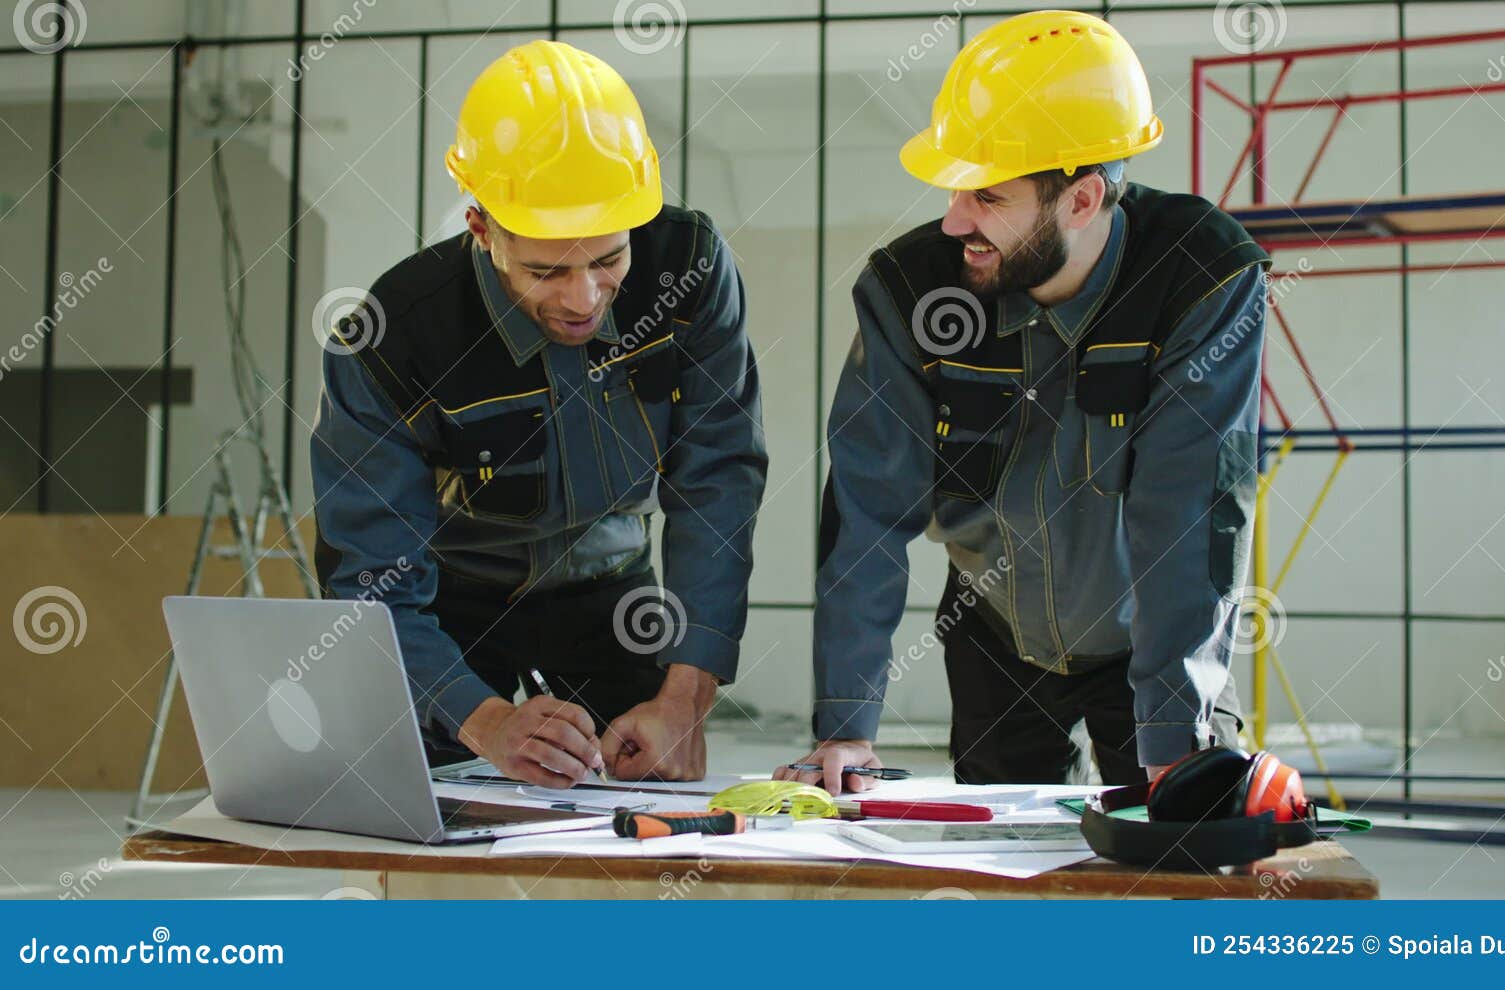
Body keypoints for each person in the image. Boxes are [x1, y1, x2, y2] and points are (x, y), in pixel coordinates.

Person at [779, 10, 1264, 796]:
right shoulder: (910, 293)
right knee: (1005, 882)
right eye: (955, 187)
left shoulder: (1197, 279)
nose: (953, 219)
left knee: (1190, 863)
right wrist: (845, 723)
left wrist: (1178, 729)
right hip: (993, 635)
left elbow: (1189, 511)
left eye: (988, 196)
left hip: (1155, 638)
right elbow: (867, 510)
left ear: (1082, 199)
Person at [311, 41, 767, 788]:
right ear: (481, 228)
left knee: (650, 814)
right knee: (431, 815)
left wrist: (685, 697)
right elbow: (374, 581)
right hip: (447, 607)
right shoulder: (390, 339)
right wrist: (483, 720)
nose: (584, 300)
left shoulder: (690, 267)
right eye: (547, 271)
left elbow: (718, 477)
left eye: (608, 261)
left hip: (612, 590)